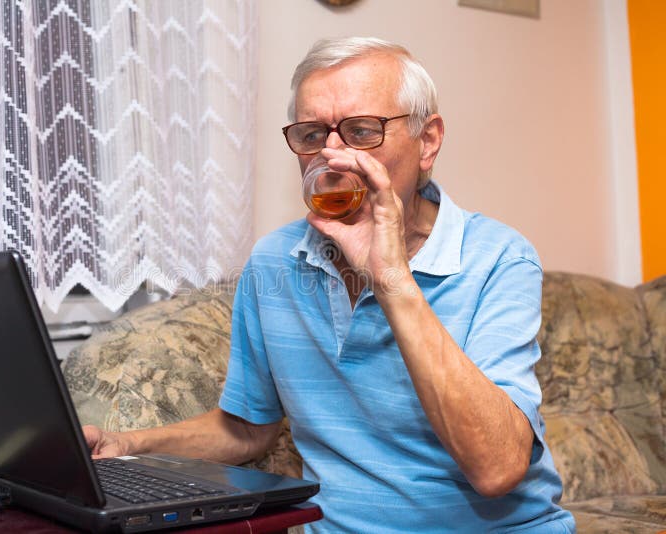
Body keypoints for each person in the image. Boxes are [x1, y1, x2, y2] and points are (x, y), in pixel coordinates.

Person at [84, 37, 575, 532]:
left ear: (427, 141)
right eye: (313, 134)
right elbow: (248, 430)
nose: (333, 154)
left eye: (362, 131)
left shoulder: (499, 257)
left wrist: (391, 280)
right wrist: (130, 445)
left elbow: (498, 468)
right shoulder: (273, 262)